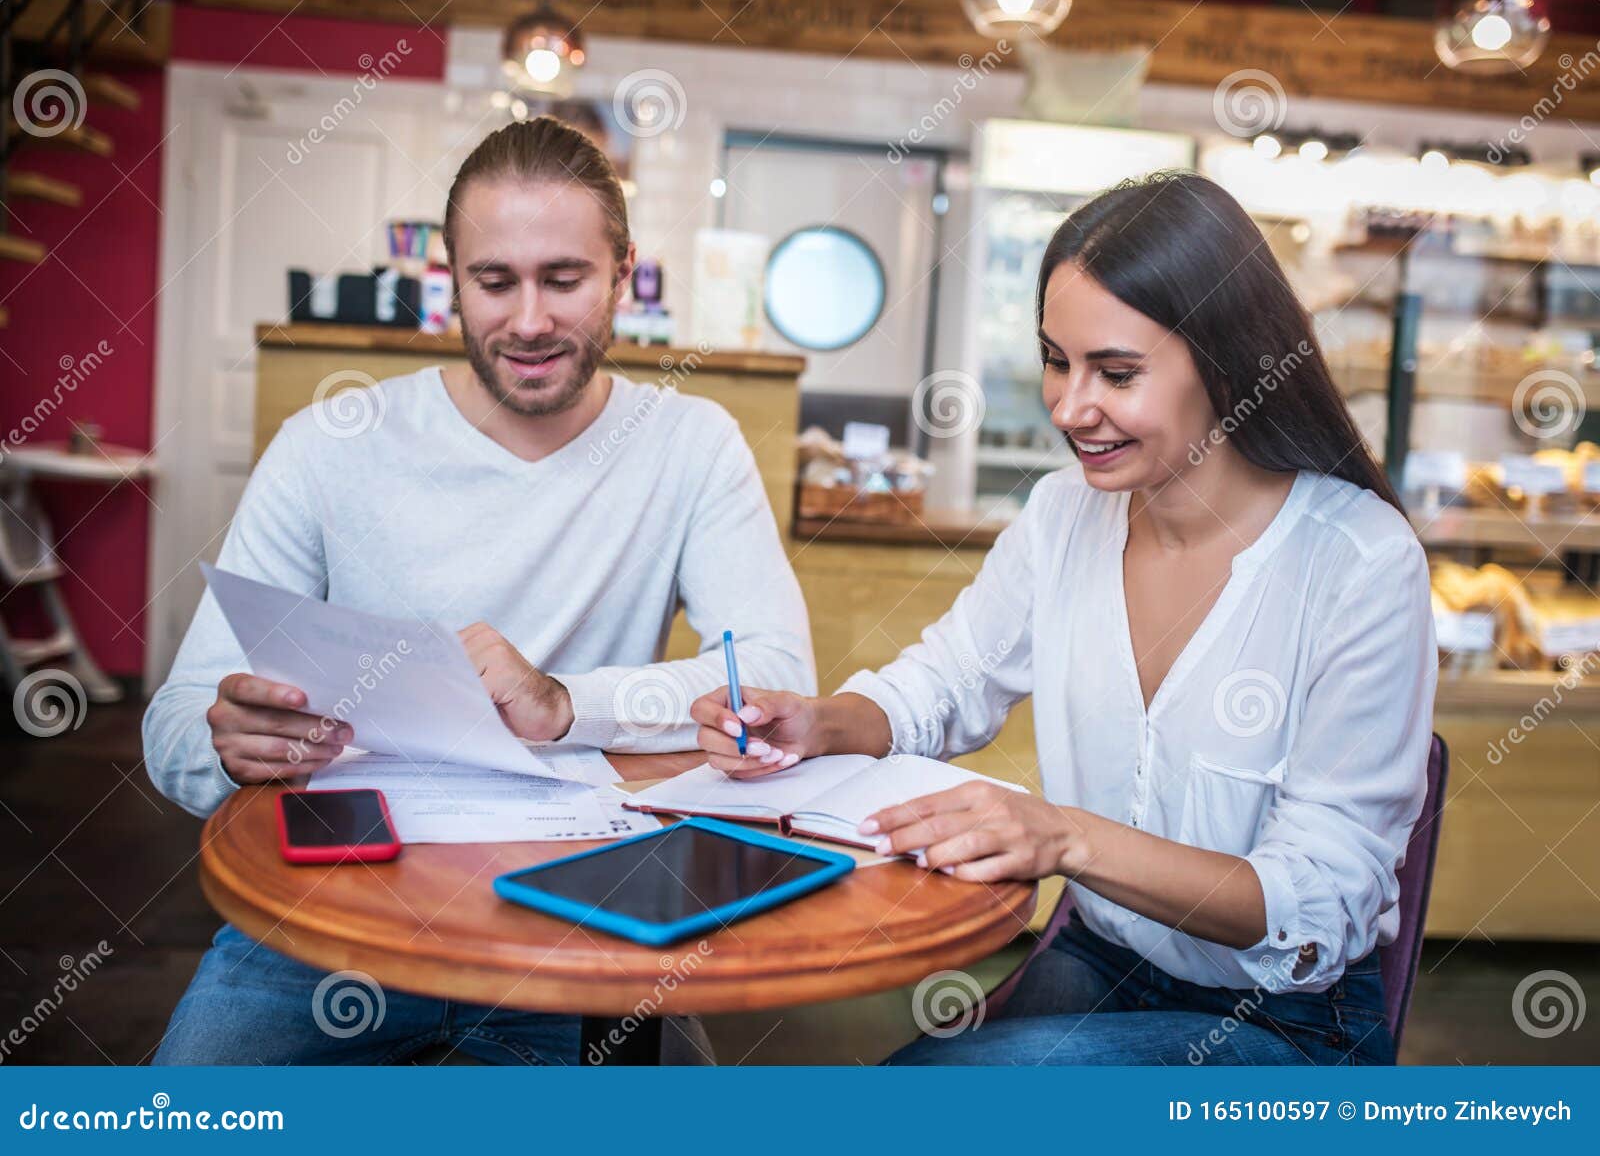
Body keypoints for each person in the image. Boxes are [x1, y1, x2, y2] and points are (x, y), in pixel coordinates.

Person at [691, 172, 1434, 1066]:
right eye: (1056, 359)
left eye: (1116, 373)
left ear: (1226, 363)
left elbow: (1321, 902)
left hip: (1285, 1021)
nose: (1070, 408)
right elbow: (948, 682)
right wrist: (821, 722)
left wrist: (1068, 836)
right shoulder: (1062, 516)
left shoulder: (1358, 561)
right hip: (1103, 955)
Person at [144, 116, 814, 1065]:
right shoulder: (328, 444)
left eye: (565, 278)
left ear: (623, 275)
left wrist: (565, 704)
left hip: (582, 931)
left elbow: (778, 674)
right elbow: (175, 720)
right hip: (335, 927)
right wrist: (230, 741)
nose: (530, 319)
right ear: (449, 280)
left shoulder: (691, 444)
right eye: (494, 281)